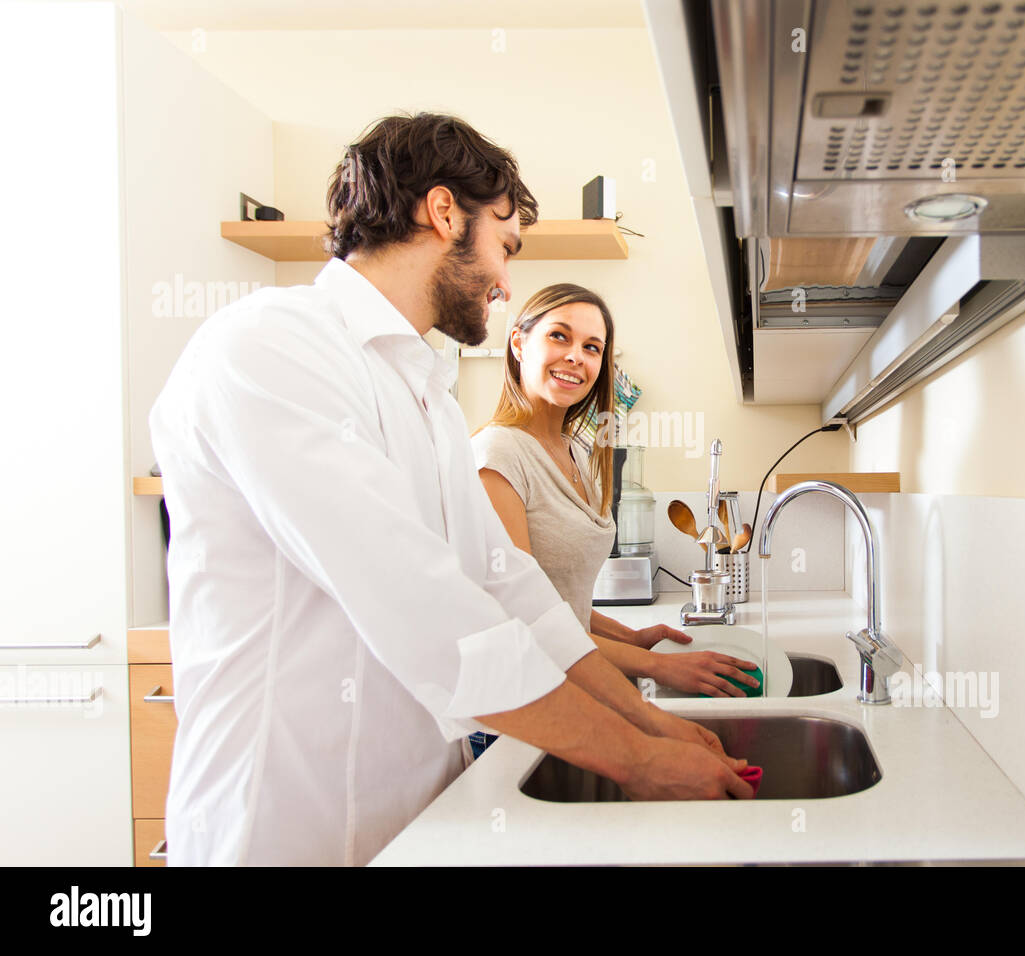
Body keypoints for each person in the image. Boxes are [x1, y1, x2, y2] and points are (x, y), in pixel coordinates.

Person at [148, 113, 753, 866]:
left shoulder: (423, 393)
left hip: (415, 823)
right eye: (505, 245)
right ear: (442, 213)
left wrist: (645, 721)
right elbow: (420, 606)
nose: (505, 283)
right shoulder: (269, 346)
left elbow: (511, 589)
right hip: (281, 829)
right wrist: (635, 758)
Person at [471, 284, 760, 723]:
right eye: (559, 336)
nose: (576, 357)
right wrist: (659, 665)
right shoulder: (497, 456)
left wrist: (630, 637)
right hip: (516, 707)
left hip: (568, 688)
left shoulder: (579, 452)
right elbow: (522, 617)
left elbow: (560, 602)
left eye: (592, 347)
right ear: (518, 342)